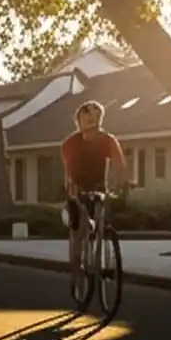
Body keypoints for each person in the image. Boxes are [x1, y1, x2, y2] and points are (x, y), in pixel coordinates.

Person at [61, 100, 129, 290]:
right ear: (79, 120)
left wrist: (124, 184)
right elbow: (69, 171)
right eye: (87, 114)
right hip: (78, 190)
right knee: (79, 232)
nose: (92, 117)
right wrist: (72, 189)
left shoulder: (108, 140)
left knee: (101, 219)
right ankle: (78, 274)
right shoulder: (70, 144)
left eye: (96, 114)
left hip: (99, 188)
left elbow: (119, 163)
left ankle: (99, 259)